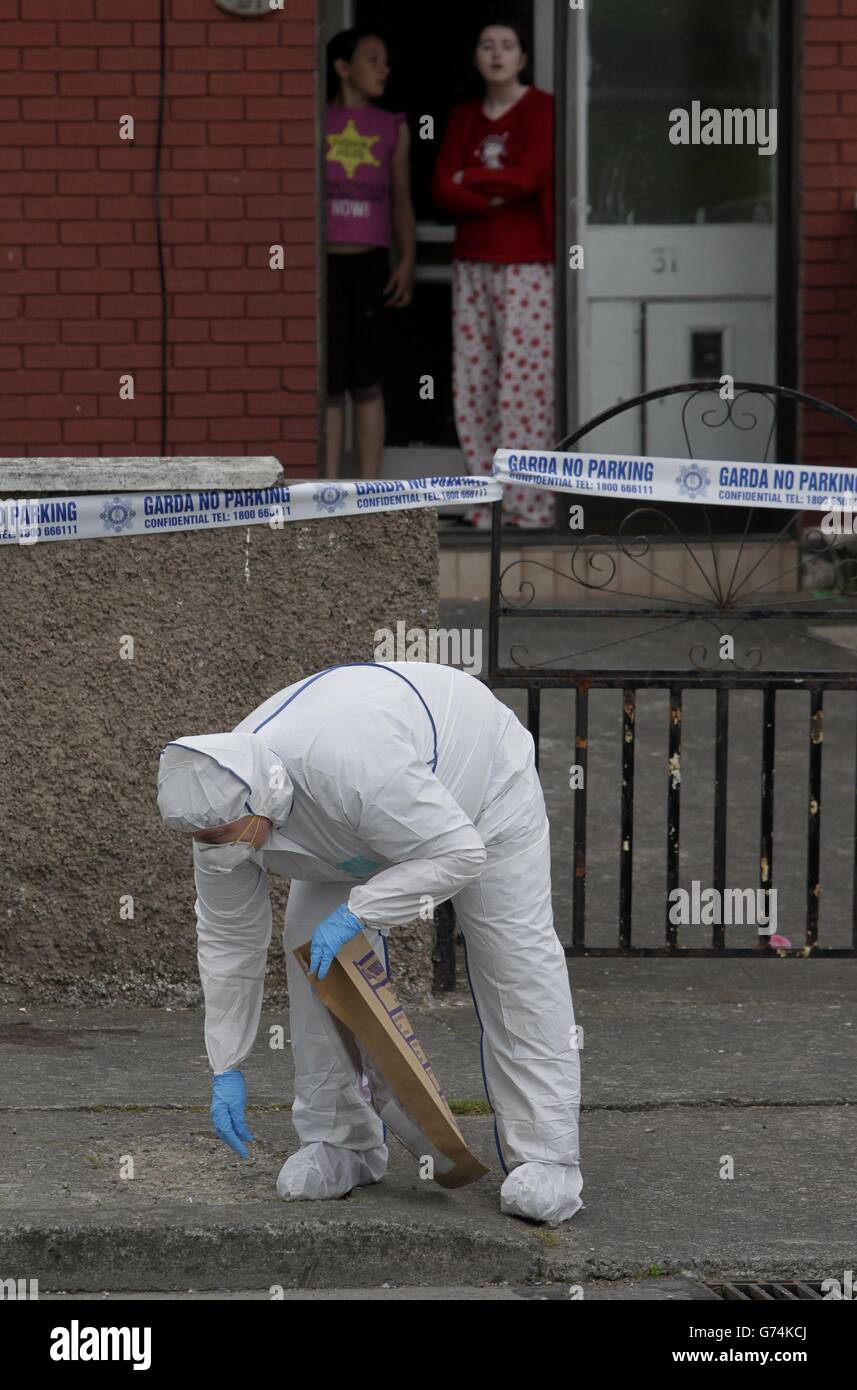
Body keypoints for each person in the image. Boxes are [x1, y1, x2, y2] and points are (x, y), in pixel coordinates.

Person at [156, 661, 583, 1226]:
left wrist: (360, 910)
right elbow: (229, 942)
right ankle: (343, 1142)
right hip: (348, 828)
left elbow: (459, 853)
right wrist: (226, 1063)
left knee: (514, 958)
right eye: (199, 841)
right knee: (310, 946)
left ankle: (548, 1157)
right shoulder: (217, 811)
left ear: (262, 799)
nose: (213, 851)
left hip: (478, 785)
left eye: (221, 839)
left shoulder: (351, 770)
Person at [432, 19, 556, 530]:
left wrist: (472, 181)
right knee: (474, 382)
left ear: (523, 57)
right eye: (487, 45)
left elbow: (530, 177)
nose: (497, 54)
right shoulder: (463, 117)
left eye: (507, 46)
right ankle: (487, 499)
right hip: (472, 262)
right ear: (476, 57)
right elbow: (441, 188)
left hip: (527, 264)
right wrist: (491, 197)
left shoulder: (542, 109)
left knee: (522, 388)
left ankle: (529, 505)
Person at [324, 28, 416, 480]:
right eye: (372, 59)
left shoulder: (392, 125)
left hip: (371, 263)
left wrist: (407, 259)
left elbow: (402, 199)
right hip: (324, 267)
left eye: (386, 60)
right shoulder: (315, 121)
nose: (384, 68)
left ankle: (368, 493)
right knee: (328, 386)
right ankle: (322, 489)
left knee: (367, 381)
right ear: (342, 68)